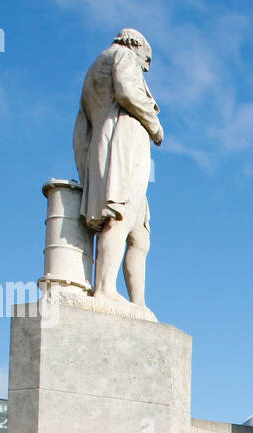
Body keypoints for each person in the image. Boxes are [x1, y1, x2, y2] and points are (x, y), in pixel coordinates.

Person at [73, 28, 164, 305]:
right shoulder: (122, 56)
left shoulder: (93, 73)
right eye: (146, 60)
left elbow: (81, 132)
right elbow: (127, 91)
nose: (146, 67)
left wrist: (87, 170)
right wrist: (154, 124)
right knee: (118, 216)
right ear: (135, 45)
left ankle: (139, 304)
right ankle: (104, 289)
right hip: (121, 145)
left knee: (139, 235)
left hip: (113, 148)